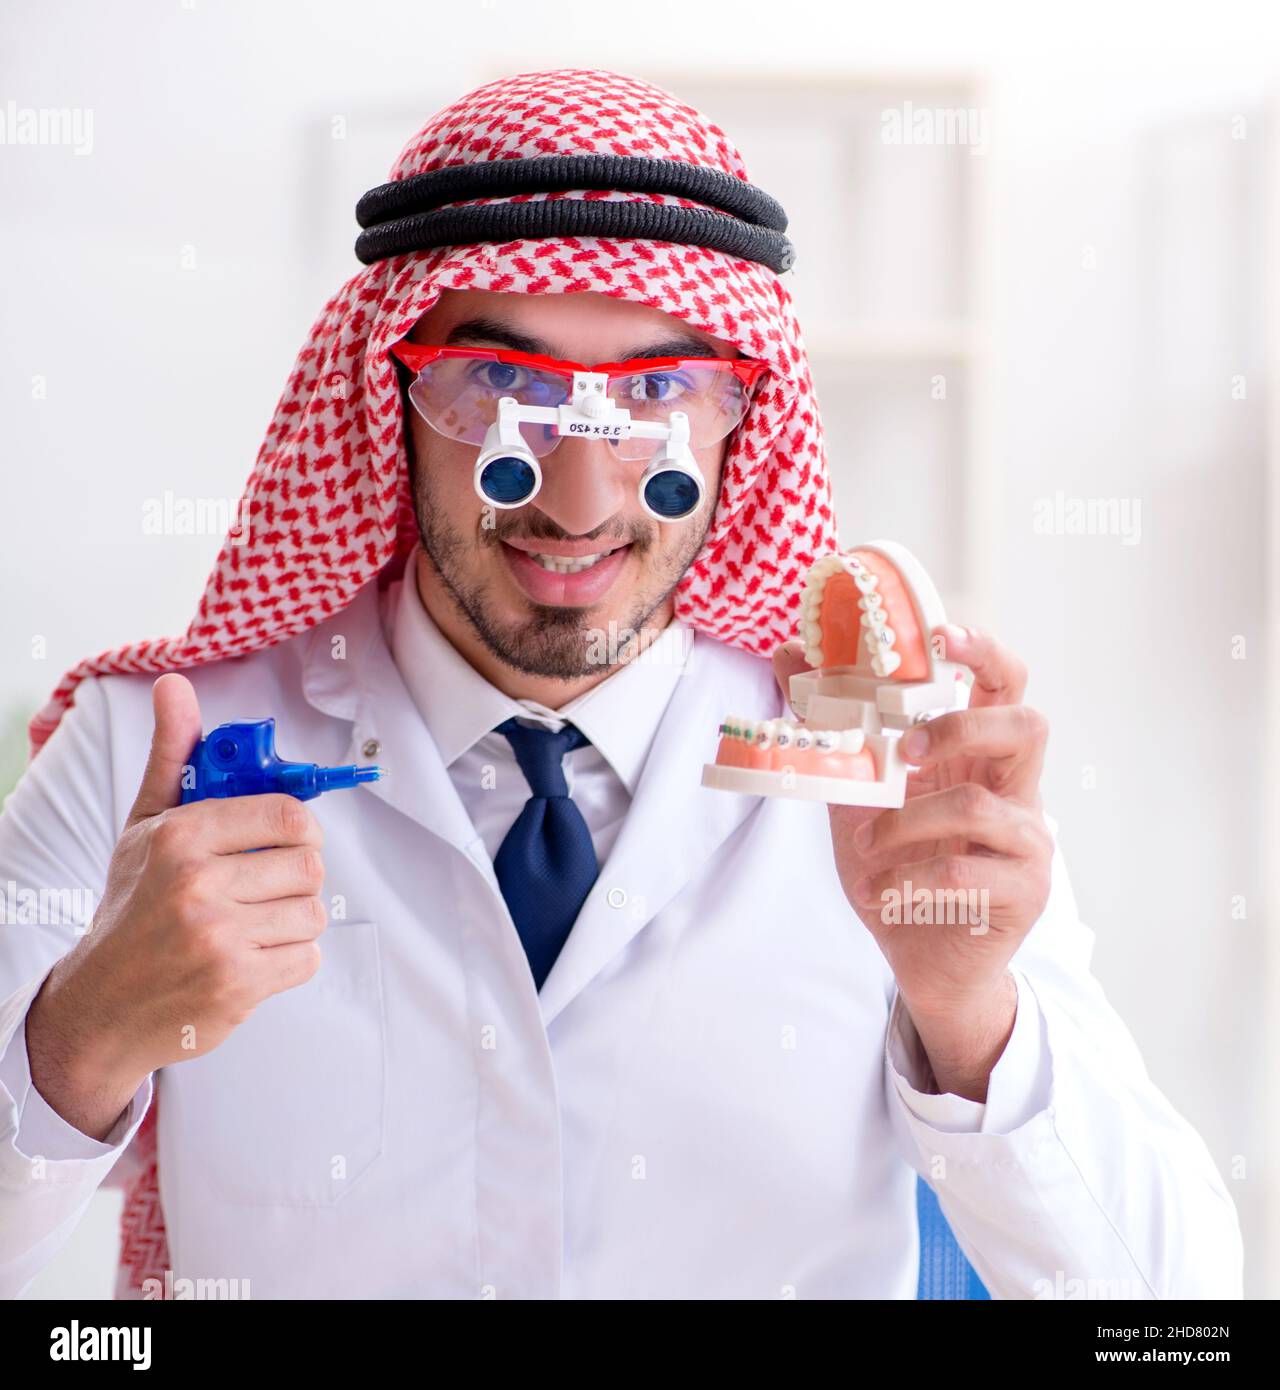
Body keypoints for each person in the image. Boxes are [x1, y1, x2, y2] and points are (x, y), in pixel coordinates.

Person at [0, 69, 1242, 1300]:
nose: (577, 502)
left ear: (737, 422)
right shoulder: (142, 756)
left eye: (657, 392)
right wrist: (80, 1039)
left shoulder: (901, 783)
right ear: (387, 394)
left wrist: (968, 1010)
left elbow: (1171, 1307)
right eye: (496, 383)